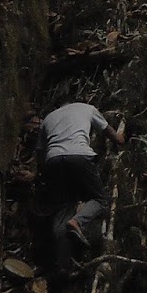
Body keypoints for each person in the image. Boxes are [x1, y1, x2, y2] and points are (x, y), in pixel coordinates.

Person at [36, 100, 125, 268]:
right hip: (79, 156)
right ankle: (78, 221)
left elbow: (40, 153)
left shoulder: (49, 118)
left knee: (63, 209)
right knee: (100, 200)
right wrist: (122, 138)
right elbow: (114, 136)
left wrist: (45, 174)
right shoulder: (87, 108)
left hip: (53, 160)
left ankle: (62, 266)